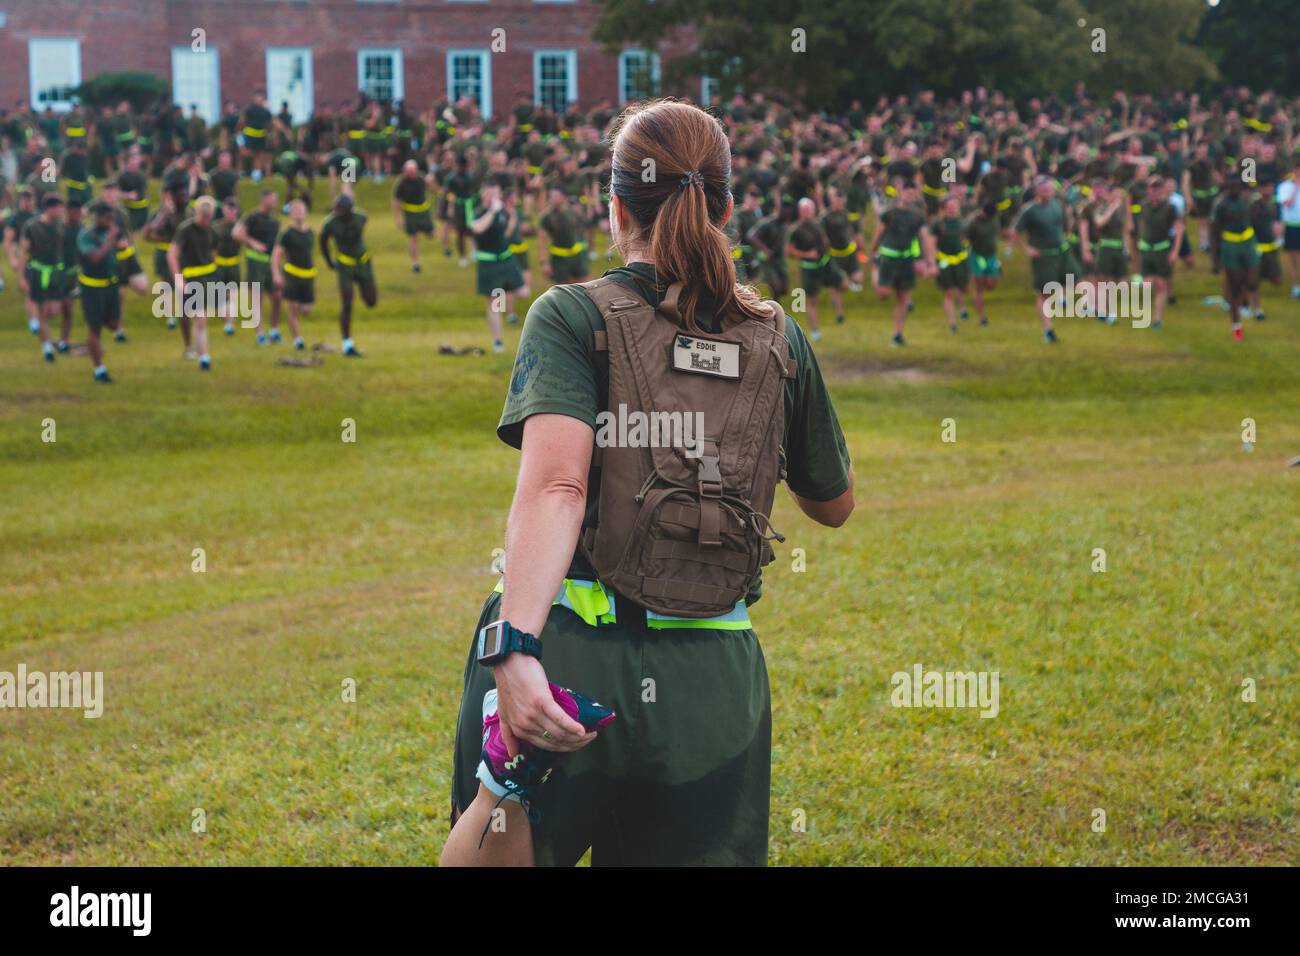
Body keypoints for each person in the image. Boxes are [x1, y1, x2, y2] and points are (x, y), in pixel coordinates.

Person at [440, 99, 854, 868]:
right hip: (712, 674)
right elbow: (831, 504)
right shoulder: (779, 336)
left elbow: (558, 488)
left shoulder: (571, 316)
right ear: (724, 205)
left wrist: (516, 648)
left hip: (568, 657)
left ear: (615, 204)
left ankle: (509, 777)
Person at [870, 179, 934, 346]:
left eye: (913, 192)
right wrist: (873, 252)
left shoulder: (918, 215)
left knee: (903, 298)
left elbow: (925, 238)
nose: (910, 195)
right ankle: (874, 271)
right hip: (889, 258)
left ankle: (897, 335)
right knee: (883, 294)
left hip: (906, 260)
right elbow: (879, 233)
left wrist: (929, 262)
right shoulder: (890, 213)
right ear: (900, 193)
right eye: (907, 191)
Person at [468, 182, 525, 353]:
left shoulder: (501, 212)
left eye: (496, 194)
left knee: (523, 292)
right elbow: (477, 228)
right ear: (483, 195)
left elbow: (504, 234)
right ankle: (498, 341)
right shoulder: (478, 213)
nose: (494, 197)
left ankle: (510, 313)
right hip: (489, 264)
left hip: (506, 261)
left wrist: (513, 218)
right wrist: (492, 211)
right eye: (491, 194)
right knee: (495, 304)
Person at [167, 195, 220, 370]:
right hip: (190, 280)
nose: (206, 220)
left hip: (207, 279)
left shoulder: (212, 231)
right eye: (203, 216)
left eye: (209, 217)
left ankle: (201, 355)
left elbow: (213, 255)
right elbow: (172, 254)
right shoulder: (186, 230)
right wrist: (179, 279)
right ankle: (203, 356)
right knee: (198, 318)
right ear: (197, 213)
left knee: (201, 318)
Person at [319, 193, 374, 357]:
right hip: (345, 265)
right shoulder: (330, 223)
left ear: (350, 209)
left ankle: (364, 289)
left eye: (342, 209)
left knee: (371, 301)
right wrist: (329, 262)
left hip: (363, 263)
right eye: (337, 209)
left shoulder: (360, 217)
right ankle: (347, 343)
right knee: (347, 304)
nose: (339, 212)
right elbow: (322, 242)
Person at [1013, 176, 1066, 343]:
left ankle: (1065, 300)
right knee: (1043, 293)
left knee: (1074, 278)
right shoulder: (1030, 210)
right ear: (1036, 191)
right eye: (1043, 189)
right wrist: (1027, 249)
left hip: (1060, 252)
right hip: (1042, 256)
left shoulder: (1057, 205)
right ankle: (1048, 331)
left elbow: (1062, 225)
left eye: (1049, 188)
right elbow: (1015, 232)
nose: (1047, 191)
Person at [77, 201, 123, 382]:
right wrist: (110, 241)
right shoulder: (87, 236)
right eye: (107, 218)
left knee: (113, 324)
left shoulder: (110, 233)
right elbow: (94, 258)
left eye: (112, 218)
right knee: (94, 328)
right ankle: (99, 369)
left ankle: (93, 345)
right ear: (98, 217)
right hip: (92, 287)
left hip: (110, 285)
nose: (110, 221)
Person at [786, 196, 844, 340]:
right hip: (808, 267)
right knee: (812, 300)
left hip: (824, 263)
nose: (808, 212)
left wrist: (826, 246)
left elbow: (824, 238)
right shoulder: (795, 230)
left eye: (810, 209)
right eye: (805, 209)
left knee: (842, 283)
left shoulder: (817, 223)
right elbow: (789, 251)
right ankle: (815, 331)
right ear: (800, 211)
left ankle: (840, 315)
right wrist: (806, 254)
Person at [17, 193, 66, 363]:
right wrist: (21, 277)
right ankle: (46, 348)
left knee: (54, 310)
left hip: (56, 273)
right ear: (49, 208)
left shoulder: (61, 226)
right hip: (38, 272)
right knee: (43, 312)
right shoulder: (32, 226)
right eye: (58, 208)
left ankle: (44, 333)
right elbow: (23, 252)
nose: (60, 211)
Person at [1211, 178, 1259, 342]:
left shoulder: (1247, 201)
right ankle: (1236, 327)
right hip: (1230, 244)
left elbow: (1254, 220)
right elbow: (1214, 231)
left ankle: (1246, 300)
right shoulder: (1221, 204)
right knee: (1234, 286)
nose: (1235, 189)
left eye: (1237, 186)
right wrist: (1215, 259)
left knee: (1252, 281)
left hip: (1247, 242)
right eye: (1232, 186)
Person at [233, 189, 283, 345]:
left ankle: (274, 330)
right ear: (264, 200)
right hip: (255, 262)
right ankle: (260, 333)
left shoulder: (275, 220)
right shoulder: (252, 217)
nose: (275, 203)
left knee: (277, 297)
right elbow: (237, 233)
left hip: (271, 262)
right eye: (272, 199)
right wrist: (252, 242)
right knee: (257, 299)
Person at [1133, 177, 1182, 330]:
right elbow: (1141, 225)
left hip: (1161, 249)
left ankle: (1157, 319)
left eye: (1157, 189)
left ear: (1162, 190)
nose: (1154, 192)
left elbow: (1179, 229)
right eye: (1152, 189)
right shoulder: (1144, 206)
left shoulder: (1169, 208)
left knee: (1161, 285)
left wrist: (1175, 251)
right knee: (1148, 283)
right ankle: (1145, 316)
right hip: (1147, 249)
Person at [271, 198, 314, 350]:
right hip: (292, 275)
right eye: (295, 211)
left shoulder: (310, 232)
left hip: (308, 275)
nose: (299, 214)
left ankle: (296, 332)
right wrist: (276, 273)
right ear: (291, 214)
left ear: (306, 213)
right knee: (293, 307)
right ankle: (298, 340)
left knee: (307, 309)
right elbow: (276, 254)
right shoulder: (286, 233)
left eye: (301, 211)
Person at [933, 195, 971, 333]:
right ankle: (952, 324)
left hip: (961, 261)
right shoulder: (938, 224)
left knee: (964, 288)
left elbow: (967, 239)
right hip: (944, 261)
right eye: (950, 206)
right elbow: (932, 243)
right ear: (944, 208)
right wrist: (933, 263)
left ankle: (962, 307)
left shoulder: (963, 223)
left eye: (955, 206)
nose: (952, 209)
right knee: (948, 292)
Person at [537, 186, 589, 285]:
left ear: (564, 197)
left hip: (577, 256)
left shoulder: (573, 211)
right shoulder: (546, 217)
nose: (552, 198)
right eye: (551, 196)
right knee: (564, 289)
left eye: (556, 196)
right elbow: (542, 242)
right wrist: (544, 263)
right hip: (559, 259)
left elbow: (583, 228)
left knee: (583, 286)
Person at [393, 159, 435, 273]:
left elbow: (431, 190)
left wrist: (431, 182)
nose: (411, 173)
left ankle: (425, 230)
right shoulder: (401, 183)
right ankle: (415, 263)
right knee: (413, 238)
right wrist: (398, 219)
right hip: (410, 213)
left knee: (431, 235)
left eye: (413, 171)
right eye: (408, 171)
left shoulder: (421, 179)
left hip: (423, 211)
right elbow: (395, 201)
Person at [965, 200, 1001, 326]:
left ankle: (987, 276)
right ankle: (982, 317)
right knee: (979, 287)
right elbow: (965, 237)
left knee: (991, 285)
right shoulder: (972, 222)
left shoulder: (995, 219)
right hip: (977, 256)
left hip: (991, 256)